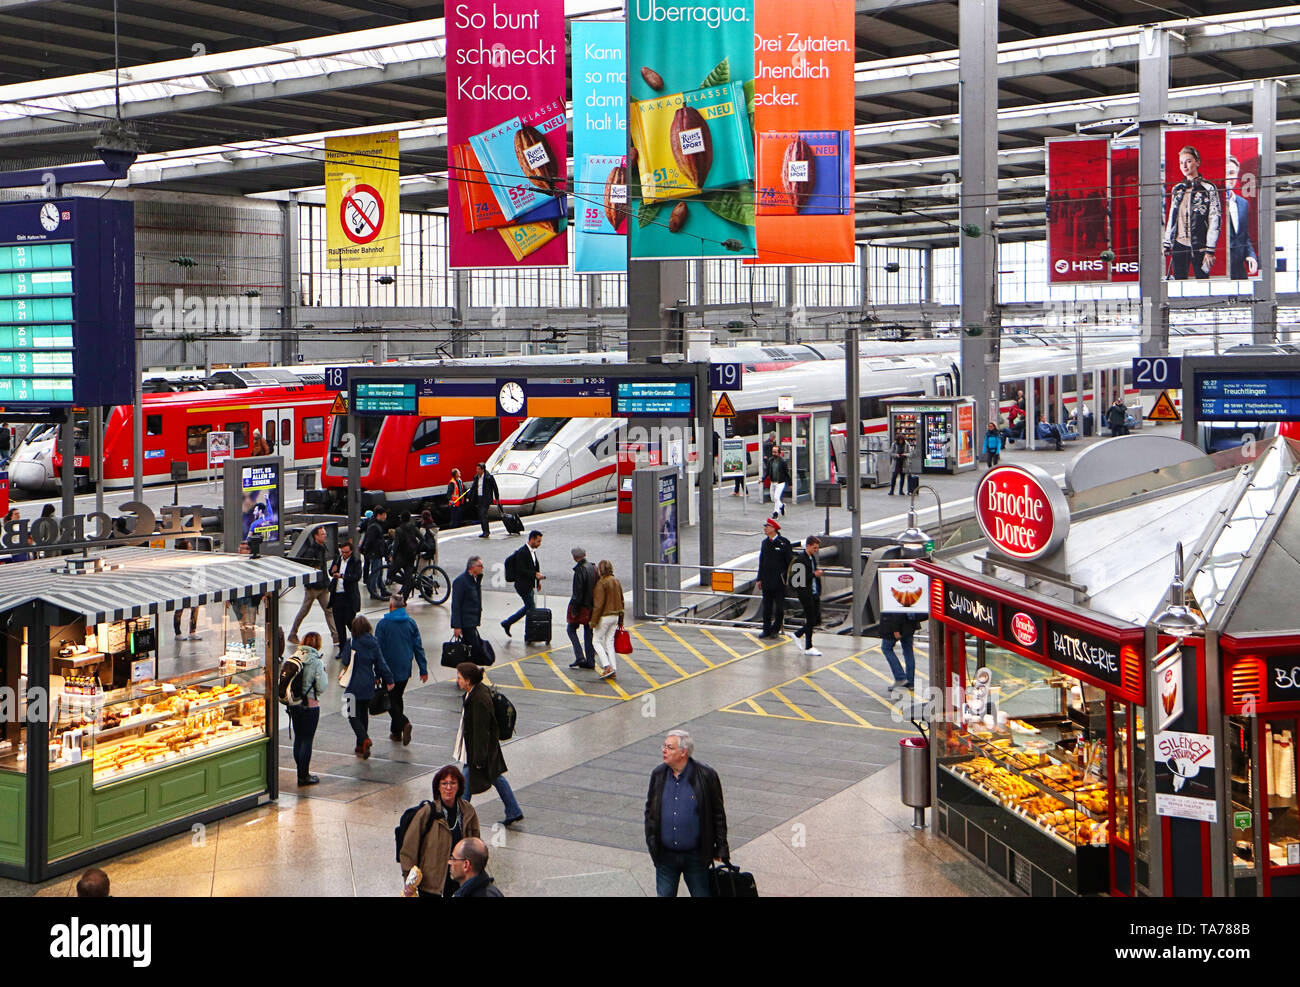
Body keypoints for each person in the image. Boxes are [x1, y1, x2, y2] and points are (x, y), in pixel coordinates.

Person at [644, 729, 729, 898]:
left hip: (696, 857)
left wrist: (721, 847)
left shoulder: (706, 775)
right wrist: (653, 843)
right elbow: (650, 813)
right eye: (664, 746)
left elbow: (718, 814)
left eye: (670, 747)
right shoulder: (658, 774)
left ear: (683, 752)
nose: (664, 750)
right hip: (665, 857)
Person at [454, 662, 523, 827]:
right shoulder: (476, 692)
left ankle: (459, 817)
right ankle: (513, 810)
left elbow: (480, 731)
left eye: (459, 678)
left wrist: (478, 758)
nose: (457, 681)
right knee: (495, 776)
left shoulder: (478, 700)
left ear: (468, 680)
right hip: (481, 749)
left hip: (479, 750)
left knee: (466, 783)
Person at [400, 766, 481, 897]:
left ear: (459, 787)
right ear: (438, 787)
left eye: (453, 783)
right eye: (444, 783)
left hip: (459, 879)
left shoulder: (468, 811)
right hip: (431, 883)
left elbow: (476, 845)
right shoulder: (427, 812)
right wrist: (409, 880)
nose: (448, 788)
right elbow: (409, 848)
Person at [1163, 144, 1222, 281]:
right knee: (1178, 283)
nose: (1185, 166)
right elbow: (1172, 216)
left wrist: (1210, 249)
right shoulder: (1177, 189)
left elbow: (1215, 218)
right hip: (1179, 244)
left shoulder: (1208, 188)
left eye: (1188, 161)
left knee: (1202, 282)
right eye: (1181, 163)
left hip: (1200, 245)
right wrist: (1166, 242)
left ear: (1197, 162)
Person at [375, 593, 427, 746]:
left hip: (388, 668)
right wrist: (423, 669)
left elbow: (378, 650)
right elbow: (418, 647)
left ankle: (404, 723)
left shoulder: (383, 625)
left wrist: (377, 673)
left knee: (390, 700)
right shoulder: (411, 623)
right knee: (397, 697)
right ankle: (396, 732)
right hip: (405, 668)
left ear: (390, 606)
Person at [339, 615, 393, 759]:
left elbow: (345, 660)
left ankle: (364, 738)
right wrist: (389, 679)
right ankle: (360, 745)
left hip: (352, 685)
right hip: (369, 684)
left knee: (350, 714)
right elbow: (381, 664)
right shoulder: (374, 643)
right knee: (363, 713)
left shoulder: (351, 643)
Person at [286, 631, 328, 785]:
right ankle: (303, 775)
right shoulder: (316, 661)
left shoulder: (294, 657)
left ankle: (300, 769)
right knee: (307, 739)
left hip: (294, 704)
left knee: (298, 738)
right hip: (310, 705)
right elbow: (322, 686)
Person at [288, 526, 338, 646]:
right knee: (305, 610)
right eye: (322, 534)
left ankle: (335, 636)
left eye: (324, 534)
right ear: (316, 536)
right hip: (314, 587)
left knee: (328, 610)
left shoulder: (321, 548)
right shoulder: (312, 550)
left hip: (322, 585)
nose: (324, 536)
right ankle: (292, 633)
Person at [501, 530, 544, 638]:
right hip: (522, 586)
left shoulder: (532, 552)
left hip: (528, 584)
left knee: (528, 608)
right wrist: (535, 575)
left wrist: (537, 582)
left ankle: (507, 623)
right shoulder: (522, 552)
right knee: (531, 610)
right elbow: (521, 570)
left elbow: (535, 566)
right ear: (532, 539)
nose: (539, 544)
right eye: (538, 541)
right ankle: (529, 634)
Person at [788, 535, 824, 656]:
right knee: (811, 619)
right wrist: (814, 574)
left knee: (816, 619)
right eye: (814, 547)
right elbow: (798, 580)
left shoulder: (811, 558)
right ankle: (807, 645)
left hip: (814, 593)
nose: (816, 550)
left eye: (817, 548)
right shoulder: (800, 560)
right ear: (808, 546)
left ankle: (800, 636)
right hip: (806, 594)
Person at [1225, 155, 1260, 280]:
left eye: (1232, 173)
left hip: (1239, 270)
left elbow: (1244, 237)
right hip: (1217, 270)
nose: (1229, 177)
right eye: (1225, 173)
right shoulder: (1210, 202)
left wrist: (1251, 256)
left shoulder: (1243, 204)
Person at [757, 519, 792, 639]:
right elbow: (762, 561)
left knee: (779, 607)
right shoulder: (765, 543)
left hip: (779, 581)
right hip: (767, 580)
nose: (765, 528)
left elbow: (790, 562)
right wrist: (759, 578)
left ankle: (775, 629)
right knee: (766, 606)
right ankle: (766, 629)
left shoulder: (784, 543)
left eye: (767, 526)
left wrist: (786, 577)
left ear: (774, 528)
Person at [590, 559, 624, 680]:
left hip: (604, 616)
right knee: (609, 641)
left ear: (601, 570)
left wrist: (593, 622)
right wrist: (621, 619)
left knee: (596, 641)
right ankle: (613, 669)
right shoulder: (616, 581)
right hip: (615, 616)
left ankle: (606, 666)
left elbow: (598, 605)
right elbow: (622, 600)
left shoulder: (601, 583)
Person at [450, 555, 487, 661]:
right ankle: (470, 670)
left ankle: (467, 669)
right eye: (480, 565)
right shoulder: (460, 581)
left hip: (472, 621)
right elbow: (456, 605)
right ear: (472, 567)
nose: (482, 568)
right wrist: (457, 626)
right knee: (475, 648)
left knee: (469, 648)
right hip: (466, 623)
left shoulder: (475, 579)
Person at [566, 547, 597, 670]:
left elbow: (578, 592)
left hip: (582, 607)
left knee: (571, 629)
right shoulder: (593, 567)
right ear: (585, 554)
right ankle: (590, 660)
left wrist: (574, 609)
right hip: (592, 606)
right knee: (588, 633)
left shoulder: (580, 570)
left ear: (574, 557)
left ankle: (579, 656)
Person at [329, 538, 362, 651]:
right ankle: (342, 648)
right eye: (342, 552)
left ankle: (357, 643)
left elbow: (356, 576)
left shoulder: (355, 561)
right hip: (337, 595)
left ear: (351, 551)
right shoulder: (338, 559)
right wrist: (332, 571)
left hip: (349, 596)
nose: (344, 554)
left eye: (346, 552)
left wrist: (342, 576)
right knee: (339, 623)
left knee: (349, 620)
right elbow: (331, 571)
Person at [880, 609, 919, 692]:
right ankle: (910, 682)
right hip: (909, 624)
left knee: (886, 648)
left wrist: (896, 629)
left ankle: (900, 678)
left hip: (894, 626)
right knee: (908, 651)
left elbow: (895, 609)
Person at [172, 537, 200, 639]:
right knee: (179, 609)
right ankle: (178, 633)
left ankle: (192, 631)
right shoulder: (179, 561)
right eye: (190, 547)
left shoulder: (191, 559)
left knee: (195, 608)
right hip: (182, 587)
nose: (191, 548)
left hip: (191, 587)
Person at [390, 512, 420, 600]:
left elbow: (396, 545)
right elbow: (422, 538)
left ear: (401, 519)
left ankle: (407, 582)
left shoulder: (399, 530)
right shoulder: (414, 528)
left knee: (390, 574)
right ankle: (405, 599)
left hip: (401, 557)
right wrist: (417, 550)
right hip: (411, 556)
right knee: (408, 576)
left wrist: (393, 556)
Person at [361, 506, 389, 601]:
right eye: (384, 514)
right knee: (375, 572)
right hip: (374, 552)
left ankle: (382, 589)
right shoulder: (374, 526)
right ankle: (373, 592)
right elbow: (370, 540)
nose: (385, 516)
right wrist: (368, 551)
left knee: (379, 572)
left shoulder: (376, 523)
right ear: (379, 515)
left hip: (377, 551)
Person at [470, 462, 500, 539]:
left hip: (486, 498)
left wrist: (497, 498)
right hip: (479, 498)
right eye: (477, 469)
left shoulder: (488, 477)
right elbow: (473, 488)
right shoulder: (476, 477)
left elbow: (495, 487)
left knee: (483, 514)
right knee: (480, 515)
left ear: (483, 470)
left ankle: (486, 532)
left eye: (478, 469)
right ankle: (484, 531)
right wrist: (469, 497)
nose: (477, 470)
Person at [767, 446, 789, 519]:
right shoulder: (770, 460)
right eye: (773, 452)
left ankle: (775, 513)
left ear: (779, 453)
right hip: (772, 482)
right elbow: (767, 471)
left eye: (775, 452)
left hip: (780, 482)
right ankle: (781, 506)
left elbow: (786, 473)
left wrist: (790, 483)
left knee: (776, 497)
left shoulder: (783, 462)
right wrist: (762, 479)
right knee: (773, 499)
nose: (774, 453)